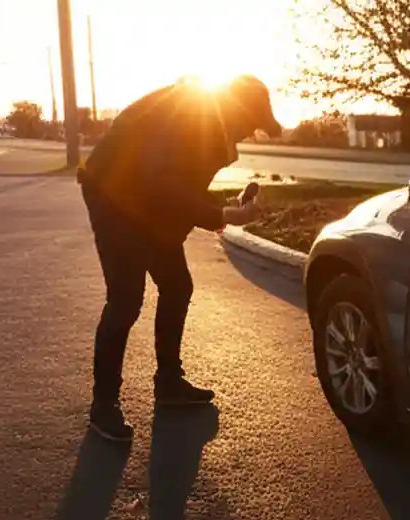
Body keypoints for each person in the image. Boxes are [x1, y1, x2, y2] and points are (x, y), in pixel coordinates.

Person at [78, 75, 281, 442]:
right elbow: (161, 184)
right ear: (234, 109)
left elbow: (178, 187)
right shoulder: (191, 116)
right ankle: (102, 405)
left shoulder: (210, 123)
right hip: (110, 192)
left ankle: (169, 382)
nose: (249, 133)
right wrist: (219, 217)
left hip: (146, 194)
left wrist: (218, 210)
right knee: (126, 300)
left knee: (176, 285)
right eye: (249, 123)